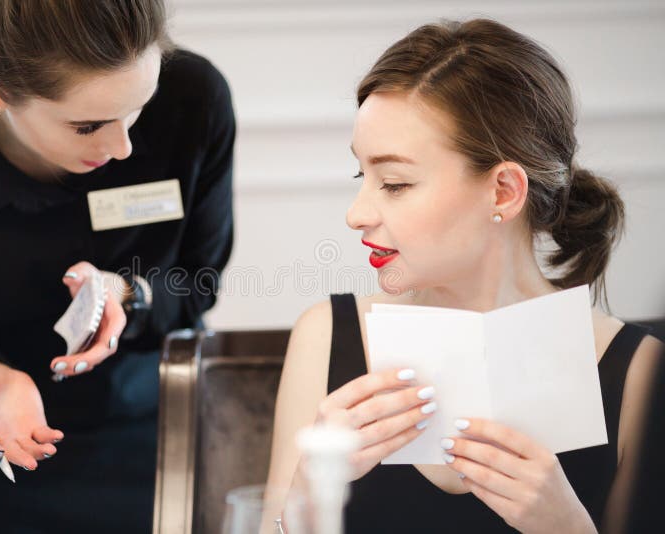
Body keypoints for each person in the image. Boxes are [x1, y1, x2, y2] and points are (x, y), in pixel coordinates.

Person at [265, 18, 663, 533]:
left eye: (395, 182)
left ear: (502, 192)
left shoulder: (638, 372)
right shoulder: (325, 334)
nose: (356, 214)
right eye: (364, 176)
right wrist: (305, 497)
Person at [0, 0, 234, 532]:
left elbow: (199, 280)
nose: (123, 146)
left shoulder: (195, 99)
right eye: (88, 126)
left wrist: (127, 293)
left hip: (156, 427)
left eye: (140, 108)